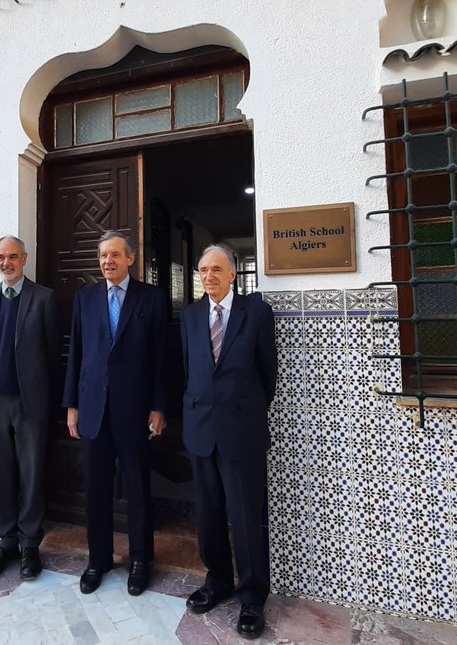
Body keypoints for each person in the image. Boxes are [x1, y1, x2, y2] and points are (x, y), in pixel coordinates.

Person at [179, 243, 277, 639]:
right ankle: (217, 581)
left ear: (233, 274)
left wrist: (244, 409)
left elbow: (268, 372)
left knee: (246, 516)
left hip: (241, 430)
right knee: (209, 513)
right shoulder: (190, 315)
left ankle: (252, 596)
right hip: (201, 428)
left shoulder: (256, 312)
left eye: (216, 269)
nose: (209, 276)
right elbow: (189, 370)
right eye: (203, 270)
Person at [63, 230, 168, 597]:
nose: (107, 261)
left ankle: (140, 561)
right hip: (93, 409)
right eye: (103, 255)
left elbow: (161, 358)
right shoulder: (85, 298)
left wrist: (158, 406)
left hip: (135, 411)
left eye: (115, 255)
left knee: (137, 488)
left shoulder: (152, 298)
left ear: (130, 259)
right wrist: (72, 405)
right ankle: (99, 560)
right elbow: (76, 354)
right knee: (96, 489)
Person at [0, 235, 59, 581]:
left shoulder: (44, 298)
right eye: (0, 257)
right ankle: (5, 542)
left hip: (30, 403)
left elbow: (52, 354)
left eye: (12, 257)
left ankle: (30, 545)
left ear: (24, 259)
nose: (6, 263)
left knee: (32, 474)